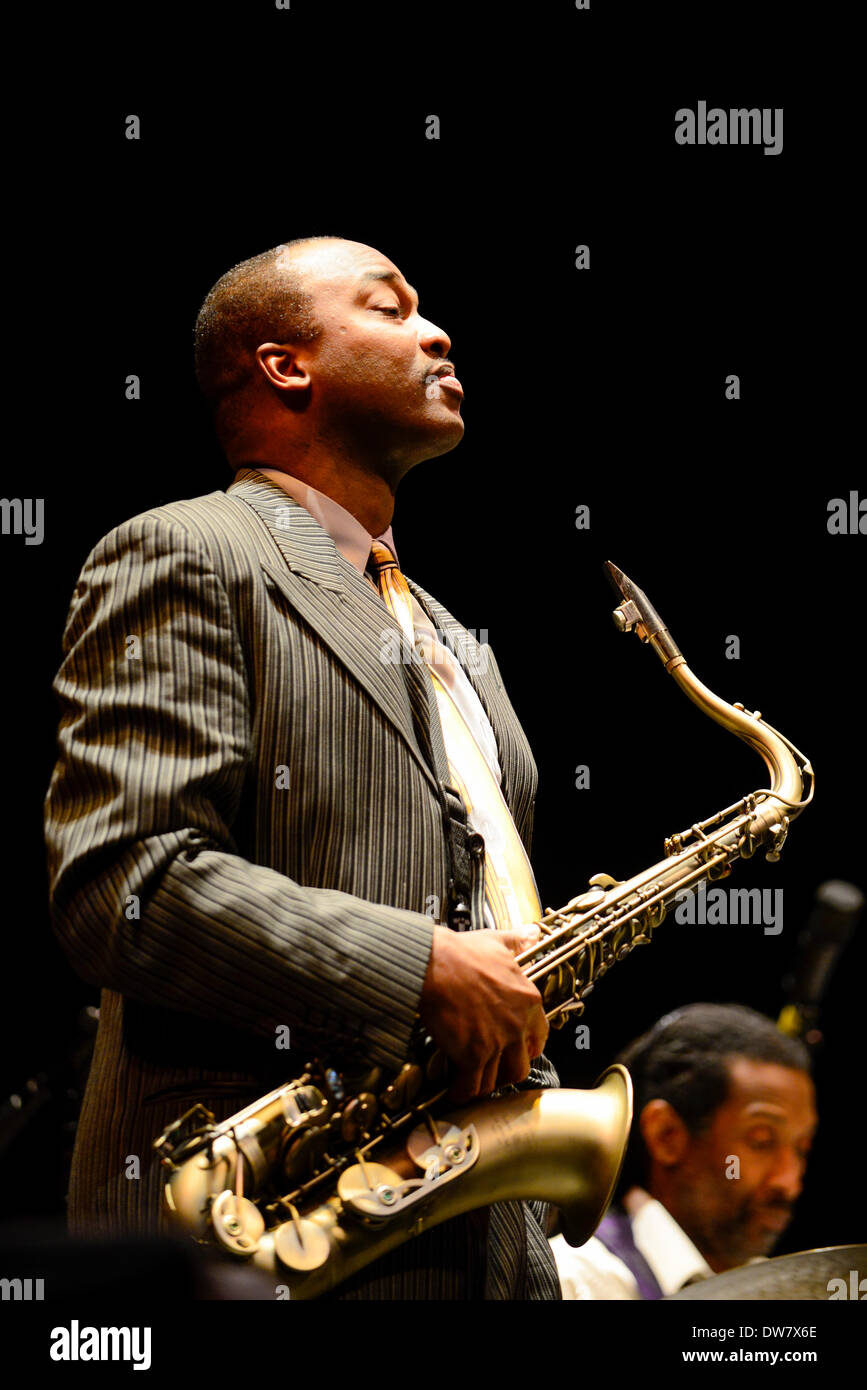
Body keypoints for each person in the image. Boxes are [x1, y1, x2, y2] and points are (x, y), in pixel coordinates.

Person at [43, 236, 561, 1299]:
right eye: (390, 307)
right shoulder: (188, 550)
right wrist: (418, 965)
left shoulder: (458, 637)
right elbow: (123, 885)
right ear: (288, 365)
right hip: (263, 1235)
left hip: (480, 1234)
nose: (438, 330)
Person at [551, 1003, 817, 1298]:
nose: (789, 1182)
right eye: (760, 1141)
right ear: (667, 1135)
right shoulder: (575, 1282)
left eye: (801, 1150)